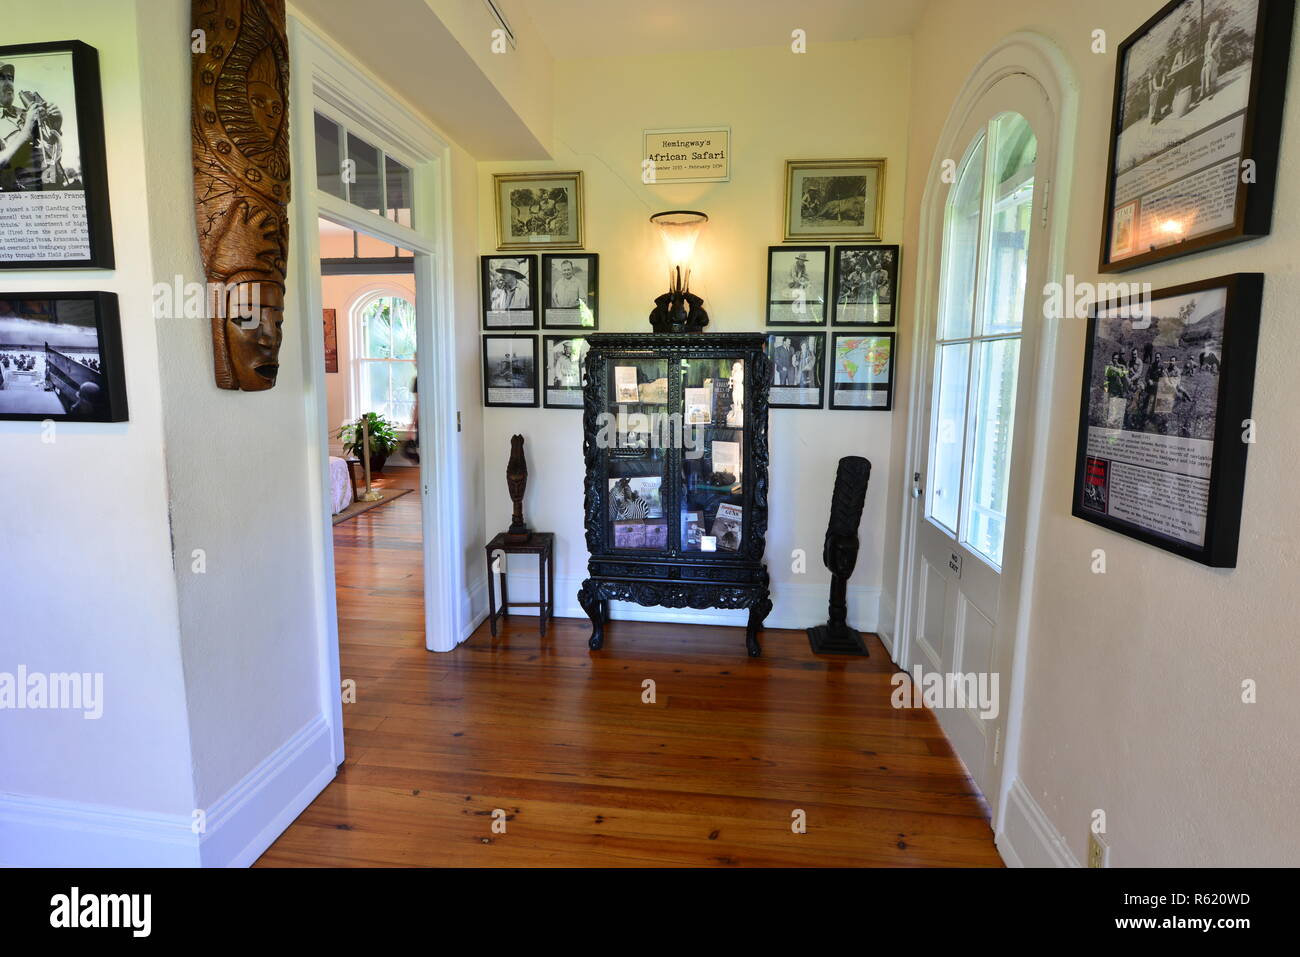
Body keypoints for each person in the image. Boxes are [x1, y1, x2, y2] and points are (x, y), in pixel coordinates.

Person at [0, 61, 67, 191]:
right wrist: (26, 131)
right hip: (24, 197)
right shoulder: (30, 117)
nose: (9, 83)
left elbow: (52, 155)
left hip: (56, 188)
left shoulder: (26, 113)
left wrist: (56, 126)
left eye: (10, 78)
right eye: (2, 78)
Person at [1103, 352, 1130, 430]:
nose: (1116, 360)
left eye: (1117, 359)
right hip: (1111, 390)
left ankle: (1118, 425)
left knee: (1118, 409)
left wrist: (1123, 368)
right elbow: (1106, 379)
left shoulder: (1120, 366)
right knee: (1111, 409)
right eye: (1114, 358)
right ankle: (1110, 426)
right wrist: (1105, 391)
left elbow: (1125, 375)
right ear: (1112, 358)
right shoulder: (1109, 366)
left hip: (1119, 391)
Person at [1202, 21, 1222, 100]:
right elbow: (1205, 55)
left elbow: (1212, 51)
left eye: (1212, 30)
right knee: (1204, 69)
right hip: (1209, 63)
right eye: (1210, 30)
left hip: (1216, 61)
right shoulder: (1207, 43)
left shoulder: (1218, 39)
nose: (1210, 32)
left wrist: (1209, 42)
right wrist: (1205, 63)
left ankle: (1207, 86)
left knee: (1209, 60)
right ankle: (1203, 92)